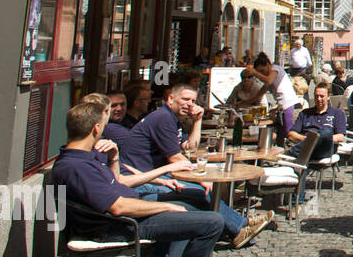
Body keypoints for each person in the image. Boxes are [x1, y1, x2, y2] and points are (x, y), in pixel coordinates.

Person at [51, 101, 225, 257]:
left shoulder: (80, 158)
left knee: (191, 208)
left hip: (124, 216)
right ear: (95, 128)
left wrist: (114, 158)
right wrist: (164, 207)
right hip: (118, 225)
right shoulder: (77, 167)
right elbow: (118, 207)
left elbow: (116, 183)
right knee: (212, 222)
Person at [115, 85, 270, 247]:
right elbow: (175, 158)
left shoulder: (173, 119)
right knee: (199, 192)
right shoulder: (163, 117)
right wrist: (201, 178)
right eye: (185, 99)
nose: (189, 104)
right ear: (170, 99)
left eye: (193, 101)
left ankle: (238, 226)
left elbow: (191, 147)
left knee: (200, 192)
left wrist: (198, 120)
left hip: (157, 177)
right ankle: (239, 227)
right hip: (141, 182)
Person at [251, 52, 299, 135]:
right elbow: (258, 95)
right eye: (259, 72)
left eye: (262, 71)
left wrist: (255, 73)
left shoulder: (275, 69)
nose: (262, 74)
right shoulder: (269, 78)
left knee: (289, 133)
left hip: (289, 105)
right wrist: (242, 103)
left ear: (268, 64)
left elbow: (268, 80)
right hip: (282, 107)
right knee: (281, 133)